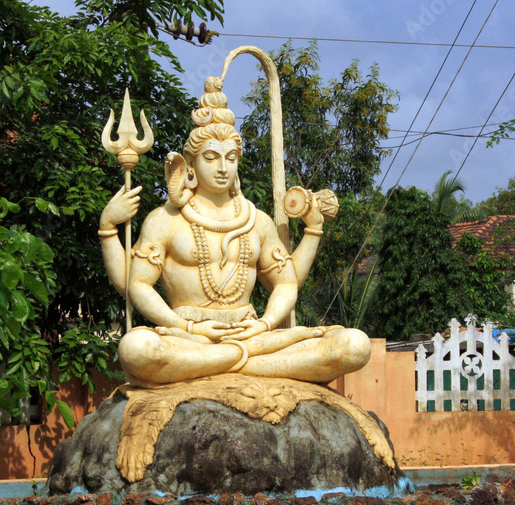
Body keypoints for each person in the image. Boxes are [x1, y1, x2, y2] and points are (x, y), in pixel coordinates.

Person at [98, 77, 370, 386]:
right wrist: (186, 327)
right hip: (188, 339)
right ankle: (244, 363)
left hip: (254, 337)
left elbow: (286, 282)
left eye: (231, 158)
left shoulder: (257, 220)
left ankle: (228, 361)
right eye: (211, 157)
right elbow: (138, 286)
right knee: (137, 349)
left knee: (353, 345)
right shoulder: (166, 219)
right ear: (190, 163)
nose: (223, 168)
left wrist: (266, 324)